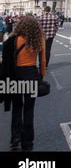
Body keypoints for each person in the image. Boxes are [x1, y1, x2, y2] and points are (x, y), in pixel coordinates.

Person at [8, 15, 47, 151]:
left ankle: (15, 139)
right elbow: (42, 62)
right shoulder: (39, 40)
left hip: (16, 76)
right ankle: (28, 142)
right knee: (29, 110)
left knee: (17, 108)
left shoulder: (15, 39)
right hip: (31, 75)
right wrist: (41, 77)